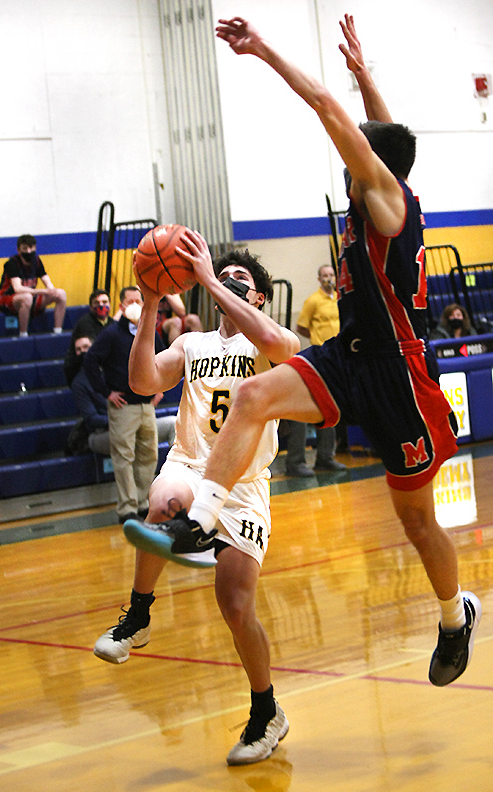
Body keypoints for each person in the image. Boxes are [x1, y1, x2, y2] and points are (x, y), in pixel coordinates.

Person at [129, 15, 481, 690]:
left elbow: (329, 110)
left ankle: (452, 614)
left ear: (373, 166)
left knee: (416, 520)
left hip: (400, 374)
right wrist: (367, 76)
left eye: (360, 151)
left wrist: (261, 49)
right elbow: (384, 138)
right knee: (257, 397)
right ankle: (202, 520)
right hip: (347, 354)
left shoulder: (387, 202)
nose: (350, 155)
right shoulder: (378, 192)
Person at [93, 242, 299, 766]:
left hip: (245, 488)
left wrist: (208, 278)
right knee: (161, 501)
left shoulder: (269, 343)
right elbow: (142, 382)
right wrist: (150, 303)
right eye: (220, 274)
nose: (225, 280)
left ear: (258, 296)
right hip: (190, 466)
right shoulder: (193, 343)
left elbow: (280, 341)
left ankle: (266, 709)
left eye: (237, 278)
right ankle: (137, 616)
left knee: (235, 607)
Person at [84, 286, 166, 523]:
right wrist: (106, 392)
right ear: (121, 307)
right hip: (123, 408)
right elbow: (90, 360)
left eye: (138, 301)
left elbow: (164, 358)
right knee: (123, 458)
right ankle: (127, 509)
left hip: (146, 406)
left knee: (149, 456)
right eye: (129, 301)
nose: (134, 305)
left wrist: (160, 388)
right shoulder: (111, 334)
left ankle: (142, 503)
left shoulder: (149, 331)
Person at [297, 264, 347, 472]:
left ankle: (329, 454)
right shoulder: (313, 301)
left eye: (331, 275)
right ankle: (322, 456)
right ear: (319, 279)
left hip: (342, 356)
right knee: (324, 405)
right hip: (323, 358)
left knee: (337, 405)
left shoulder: (340, 299)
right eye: (324, 276)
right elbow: (301, 326)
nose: (328, 278)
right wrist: (318, 341)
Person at [0, 234, 67, 337]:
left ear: (35, 248)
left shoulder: (37, 261)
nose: (28, 251)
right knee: (27, 297)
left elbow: (47, 281)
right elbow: (18, 288)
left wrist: (52, 290)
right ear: (18, 250)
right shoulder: (12, 263)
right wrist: (42, 291)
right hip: (7, 298)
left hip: (30, 297)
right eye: (25, 248)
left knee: (61, 294)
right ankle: (23, 334)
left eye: (31, 248)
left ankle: (58, 331)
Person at [64, 289, 115, 386]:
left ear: (110, 305)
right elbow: (95, 350)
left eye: (104, 302)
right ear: (91, 307)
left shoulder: (112, 323)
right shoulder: (85, 323)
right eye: (97, 303)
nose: (101, 305)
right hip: (79, 371)